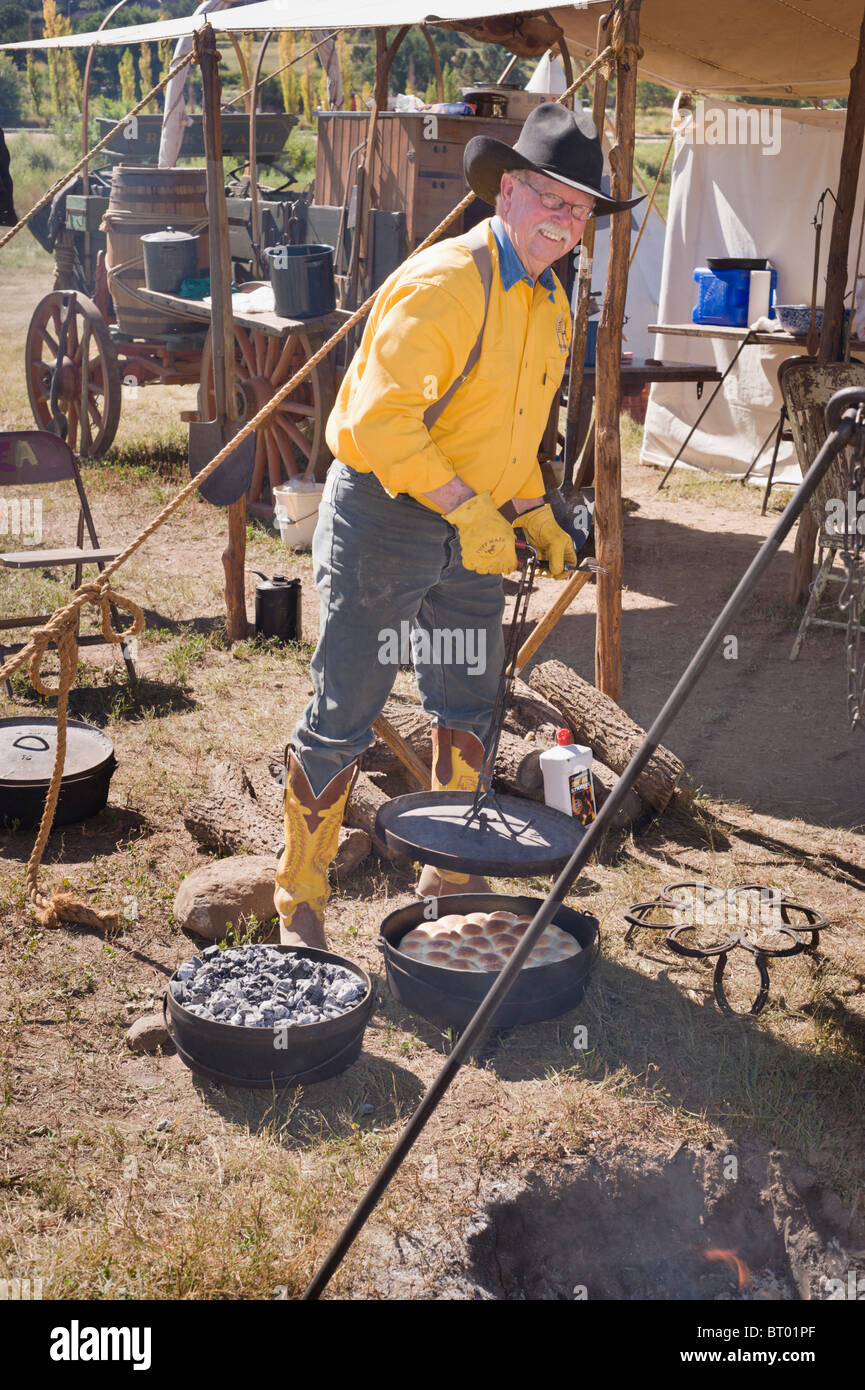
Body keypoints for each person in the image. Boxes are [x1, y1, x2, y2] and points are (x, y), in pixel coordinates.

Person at [274, 103, 642, 947]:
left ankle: (454, 867)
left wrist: (532, 512)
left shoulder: (549, 300)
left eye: (581, 207)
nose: (565, 218)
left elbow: (511, 438)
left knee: (467, 698)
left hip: (473, 532)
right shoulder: (445, 282)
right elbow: (375, 425)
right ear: (507, 191)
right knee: (346, 707)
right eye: (550, 196)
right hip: (384, 522)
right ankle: (300, 898)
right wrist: (471, 511)